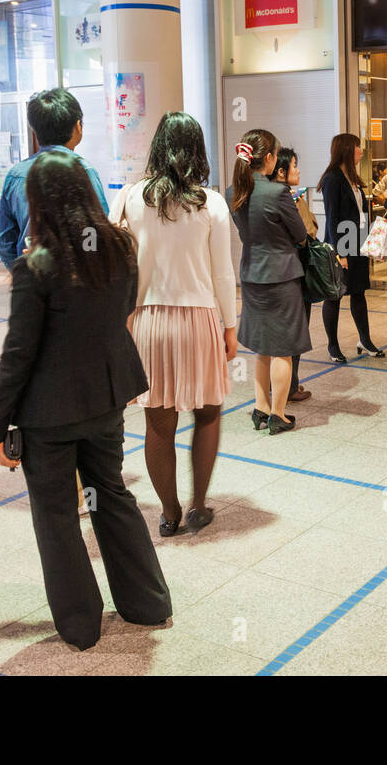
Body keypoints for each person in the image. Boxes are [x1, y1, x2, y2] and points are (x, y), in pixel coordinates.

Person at [0, 150, 171, 651]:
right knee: (112, 493)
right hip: (106, 397)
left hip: (49, 412)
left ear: (39, 202)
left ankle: (81, 625)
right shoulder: (120, 248)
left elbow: (18, 353)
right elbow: (123, 310)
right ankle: (148, 603)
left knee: (57, 512)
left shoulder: (36, 266)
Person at [110, 112, 235, 538]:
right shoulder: (210, 202)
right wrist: (230, 326)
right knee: (208, 412)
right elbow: (223, 274)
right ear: (197, 149)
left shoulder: (131, 197)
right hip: (199, 318)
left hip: (147, 321)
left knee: (158, 423)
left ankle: (168, 512)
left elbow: (115, 258)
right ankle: (199, 503)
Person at [229, 129, 311, 434]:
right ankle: (278, 414)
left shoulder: (232, 192)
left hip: (251, 275)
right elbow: (301, 235)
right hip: (281, 277)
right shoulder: (277, 194)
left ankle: (260, 408)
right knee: (283, 349)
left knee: (262, 347)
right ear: (269, 158)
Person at [0, 87, 108, 269]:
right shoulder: (84, 170)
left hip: (33, 278)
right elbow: (96, 230)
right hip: (77, 280)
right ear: (78, 126)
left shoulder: (16, 174)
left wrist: (22, 274)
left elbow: (5, 240)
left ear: (35, 130)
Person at [318, 133, 385, 362]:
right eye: (358, 147)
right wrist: (339, 252)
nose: (361, 151)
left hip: (358, 243)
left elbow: (360, 216)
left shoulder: (353, 178)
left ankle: (365, 340)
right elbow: (333, 218)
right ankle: (333, 346)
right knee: (334, 296)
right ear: (347, 149)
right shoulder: (332, 179)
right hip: (341, 246)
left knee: (358, 292)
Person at [271, 147, 318, 402]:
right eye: (295, 166)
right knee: (295, 332)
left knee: (276, 336)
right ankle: (289, 386)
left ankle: (280, 386)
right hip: (294, 271)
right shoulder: (289, 198)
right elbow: (306, 231)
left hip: (270, 274)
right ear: (281, 171)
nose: (299, 171)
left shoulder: (260, 196)